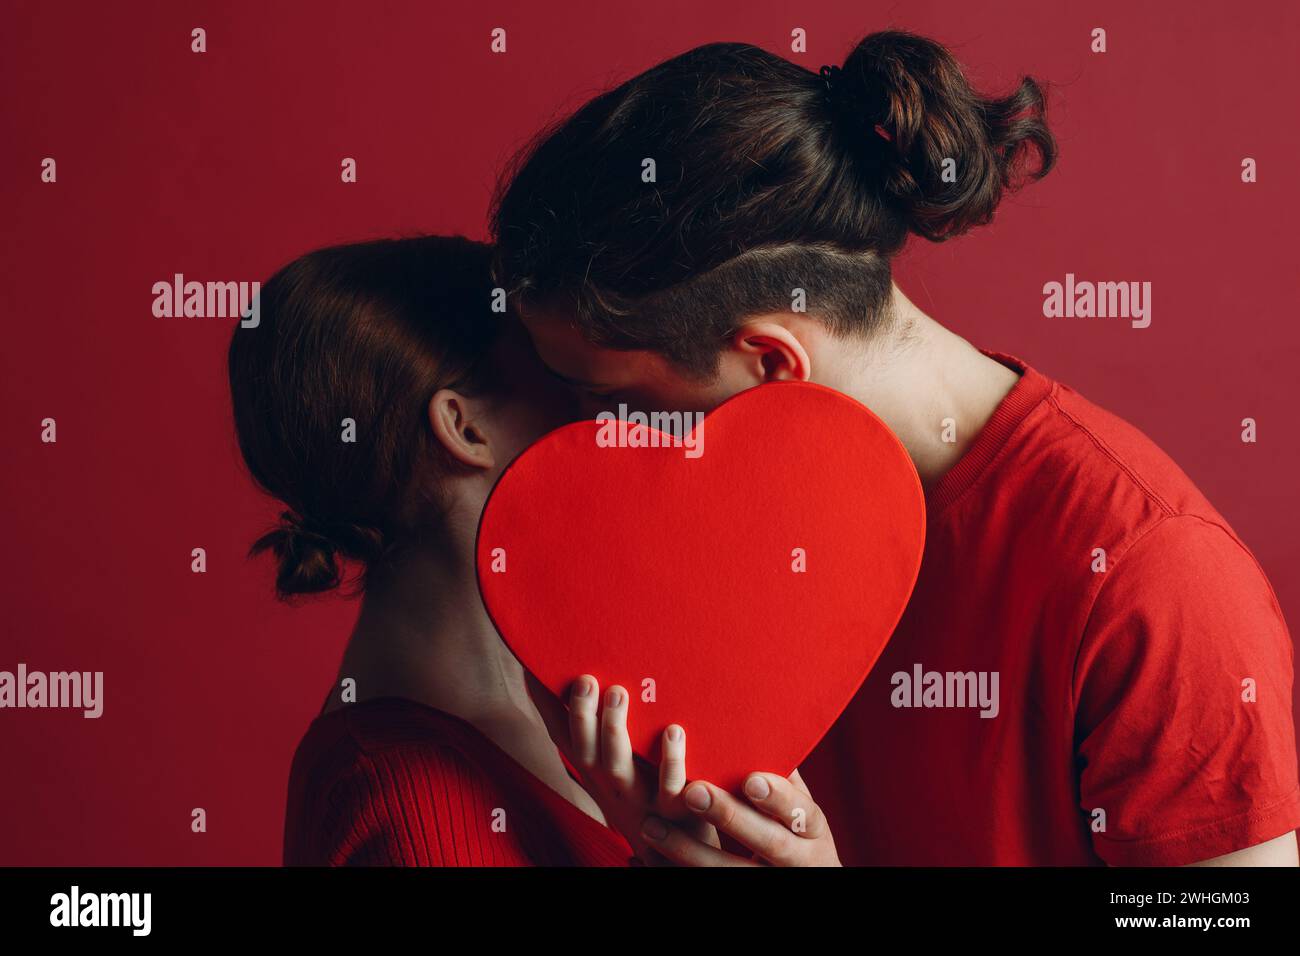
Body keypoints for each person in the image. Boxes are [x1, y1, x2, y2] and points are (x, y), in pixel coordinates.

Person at [491, 30, 1300, 865]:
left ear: (773, 365)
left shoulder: (1148, 578)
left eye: (609, 401)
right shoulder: (716, 538)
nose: (581, 440)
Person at [229, 236, 699, 865]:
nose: (606, 417)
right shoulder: (405, 803)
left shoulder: (567, 716)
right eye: (563, 380)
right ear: (464, 428)